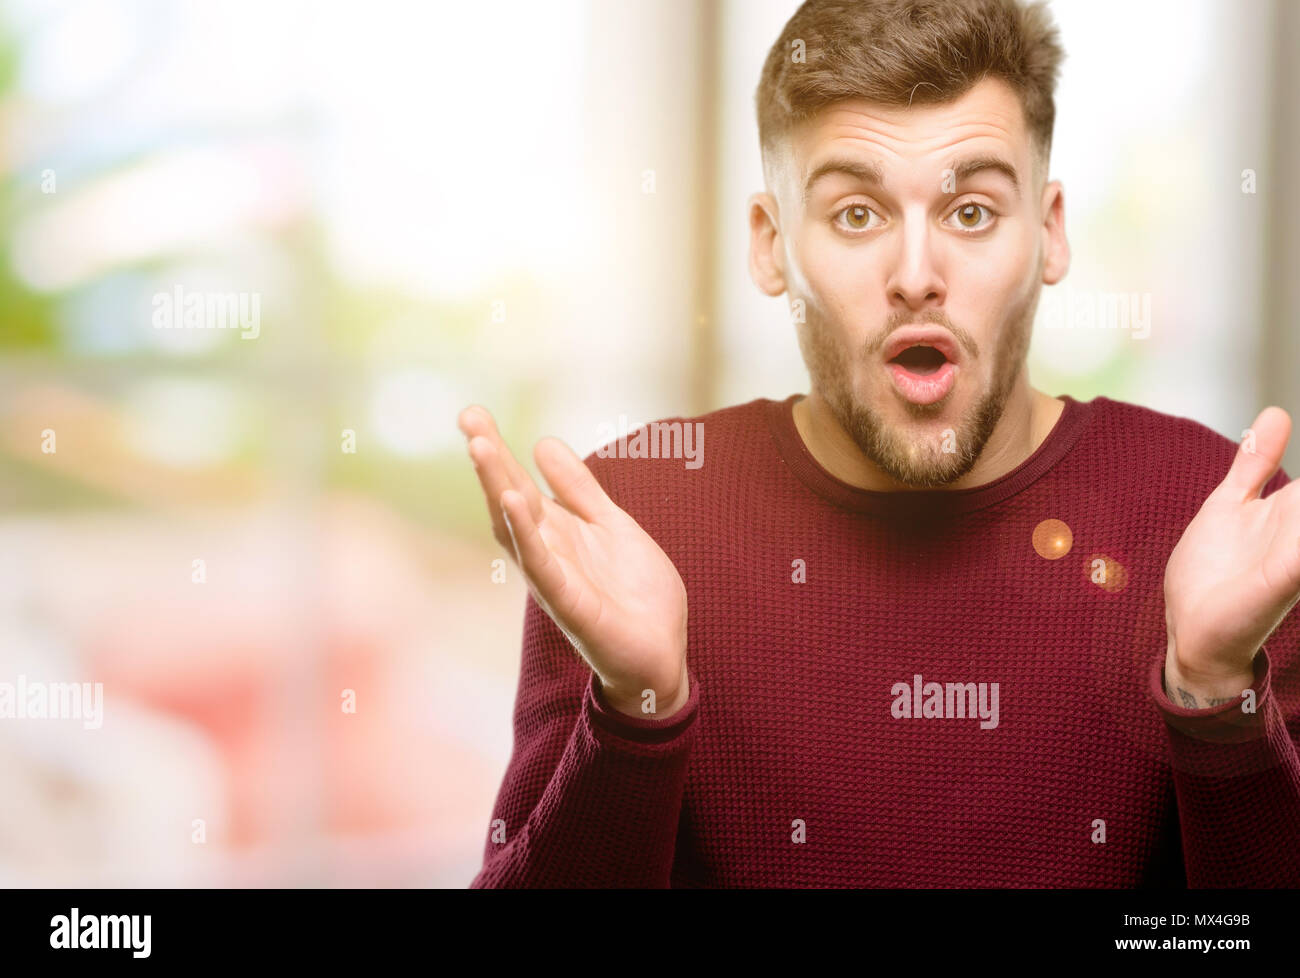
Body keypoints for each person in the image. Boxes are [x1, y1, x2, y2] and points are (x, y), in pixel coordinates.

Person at [458, 0, 1300, 887]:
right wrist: (634, 713)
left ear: (1049, 232)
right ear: (772, 243)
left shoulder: (1218, 521)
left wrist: (1215, 695)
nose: (915, 277)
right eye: (856, 215)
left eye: (971, 212)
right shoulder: (632, 517)